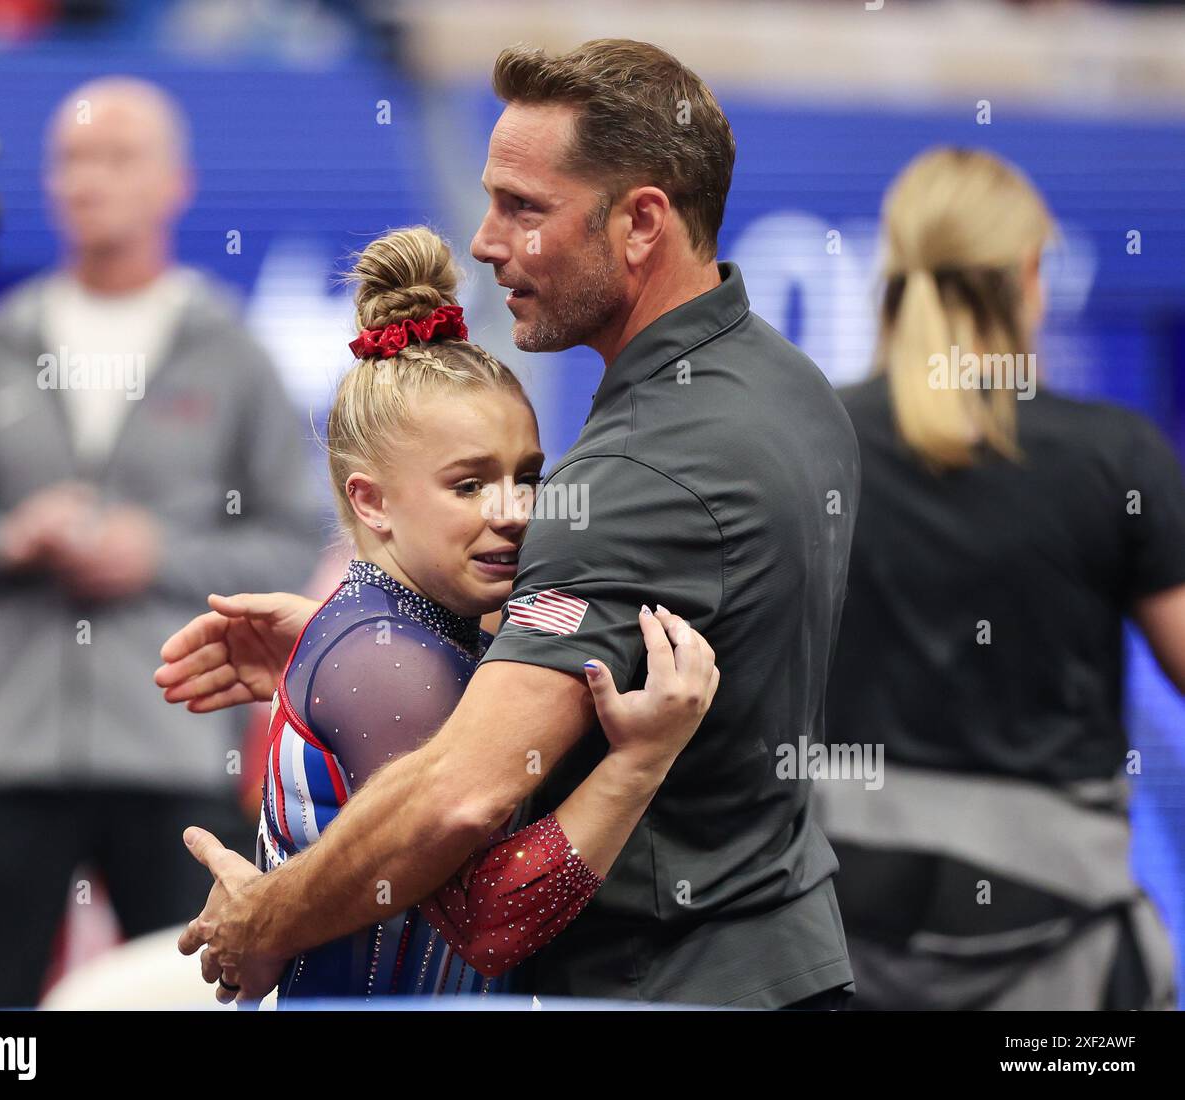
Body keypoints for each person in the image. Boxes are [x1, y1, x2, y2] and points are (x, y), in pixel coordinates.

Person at [165, 39, 859, 1009]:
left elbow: (461, 814)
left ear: (641, 222)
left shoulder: (631, 473)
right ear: (368, 500)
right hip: (781, 957)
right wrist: (376, 639)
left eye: (524, 208)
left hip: (662, 985)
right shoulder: (794, 390)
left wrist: (262, 918)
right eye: (466, 483)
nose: (486, 241)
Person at [163, 226, 718, 1001]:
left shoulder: (397, 637)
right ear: (372, 501)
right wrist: (638, 764)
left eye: (527, 478)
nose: (513, 511)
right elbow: (489, 923)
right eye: (468, 485)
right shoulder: (389, 660)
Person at [0, 77, 323, 1008]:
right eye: (75, 158)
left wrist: (154, 554)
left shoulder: (230, 351)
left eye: (119, 157)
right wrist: (13, 538)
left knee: (193, 992)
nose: (92, 180)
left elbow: (292, 539)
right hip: (15, 748)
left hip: (173, 748)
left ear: (177, 183)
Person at [817, 147, 1185, 1010]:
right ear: (1028, 275)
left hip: (842, 917)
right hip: (1057, 936)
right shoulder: (1114, 454)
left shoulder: (814, 438)